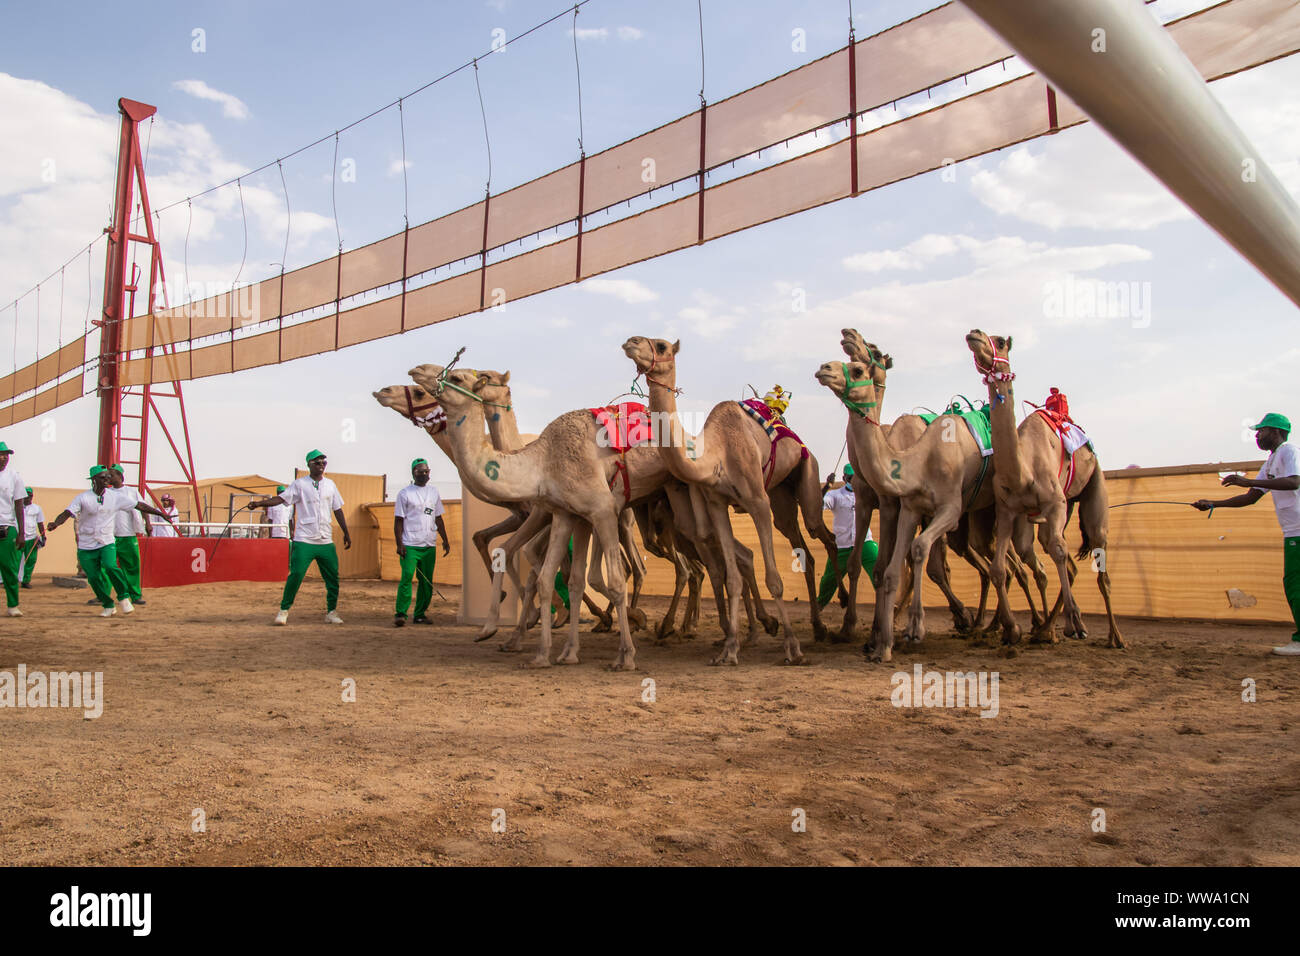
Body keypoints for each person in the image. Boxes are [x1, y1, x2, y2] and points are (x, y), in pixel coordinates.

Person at [1193, 412, 1300, 656]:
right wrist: (1213, 504)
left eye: (1261, 430)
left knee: (1295, 586)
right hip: (1293, 533)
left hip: (1298, 533)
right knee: (1294, 585)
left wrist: (1248, 482)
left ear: (1276, 432)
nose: (1257, 435)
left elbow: (1294, 482)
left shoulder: (1288, 451)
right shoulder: (1271, 462)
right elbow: (1251, 498)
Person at [47, 465, 174, 617]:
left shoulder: (116, 497)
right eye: (103, 477)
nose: (106, 479)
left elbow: (139, 505)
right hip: (86, 544)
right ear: (94, 480)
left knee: (111, 566)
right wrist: (56, 523)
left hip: (107, 541)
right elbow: (68, 512)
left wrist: (161, 514)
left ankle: (124, 597)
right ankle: (108, 604)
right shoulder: (83, 498)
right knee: (94, 577)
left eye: (108, 476)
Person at [250, 450, 352, 626]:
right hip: (304, 539)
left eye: (323, 462)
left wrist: (346, 532)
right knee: (296, 574)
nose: (321, 465)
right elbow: (281, 499)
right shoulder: (299, 485)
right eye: (317, 462)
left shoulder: (330, 485)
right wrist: (259, 503)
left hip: (325, 540)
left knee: (332, 578)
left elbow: (338, 509)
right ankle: (284, 611)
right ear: (309, 464)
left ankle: (331, 612)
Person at [392, 458, 450, 627]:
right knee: (407, 577)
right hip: (410, 543)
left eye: (426, 471)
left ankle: (420, 614)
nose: (423, 474)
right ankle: (401, 613)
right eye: (420, 472)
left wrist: (445, 539)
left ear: (429, 473)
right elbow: (398, 521)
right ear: (413, 473)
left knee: (426, 581)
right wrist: (399, 544)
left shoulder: (434, 492)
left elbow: (438, 517)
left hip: (429, 544)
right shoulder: (405, 493)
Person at [817, 463, 879, 609]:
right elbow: (819, 504)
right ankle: (818, 607)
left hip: (865, 542)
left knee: (879, 569)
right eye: (851, 478)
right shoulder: (835, 495)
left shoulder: (867, 493)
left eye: (857, 477)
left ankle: (886, 603)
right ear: (845, 478)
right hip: (842, 545)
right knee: (828, 580)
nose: (854, 481)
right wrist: (827, 486)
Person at [105, 464, 147, 606]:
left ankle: (135, 595)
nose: (109, 477)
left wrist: (148, 523)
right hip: (108, 536)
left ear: (120, 476)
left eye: (112, 475)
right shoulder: (106, 493)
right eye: (108, 475)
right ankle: (103, 595)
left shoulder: (131, 491)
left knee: (131, 566)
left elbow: (143, 506)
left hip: (127, 534)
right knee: (105, 567)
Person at [0, 441, 27, 617]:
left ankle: (13, 605)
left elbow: (19, 505)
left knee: (8, 568)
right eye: (1, 454)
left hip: (6, 528)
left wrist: (21, 533)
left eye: (6, 455)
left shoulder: (14, 476)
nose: (4, 458)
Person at [18, 487, 47, 588]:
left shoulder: (37, 508)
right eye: (26, 495)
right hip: (19, 538)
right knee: (15, 560)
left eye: (30, 495)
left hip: (32, 538)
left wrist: (43, 536)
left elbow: (40, 523)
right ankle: (12, 580)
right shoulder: (17, 507)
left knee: (31, 560)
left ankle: (26, 581)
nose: (28, 497)